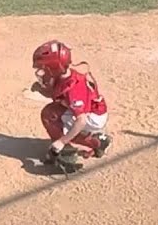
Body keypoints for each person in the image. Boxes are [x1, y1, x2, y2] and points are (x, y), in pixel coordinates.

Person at [29, 40, 111, 174]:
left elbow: (81, 120)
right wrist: (41, 89)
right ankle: (95, 142)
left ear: (54, 68)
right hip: (85, 109)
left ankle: (68, 151)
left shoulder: (74, 88)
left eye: (44, 68)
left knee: (52, 117)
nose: (41, 72)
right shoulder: (63, 76)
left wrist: (61, 141)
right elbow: (57, 95)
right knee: (52, 113)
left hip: (93, 116)